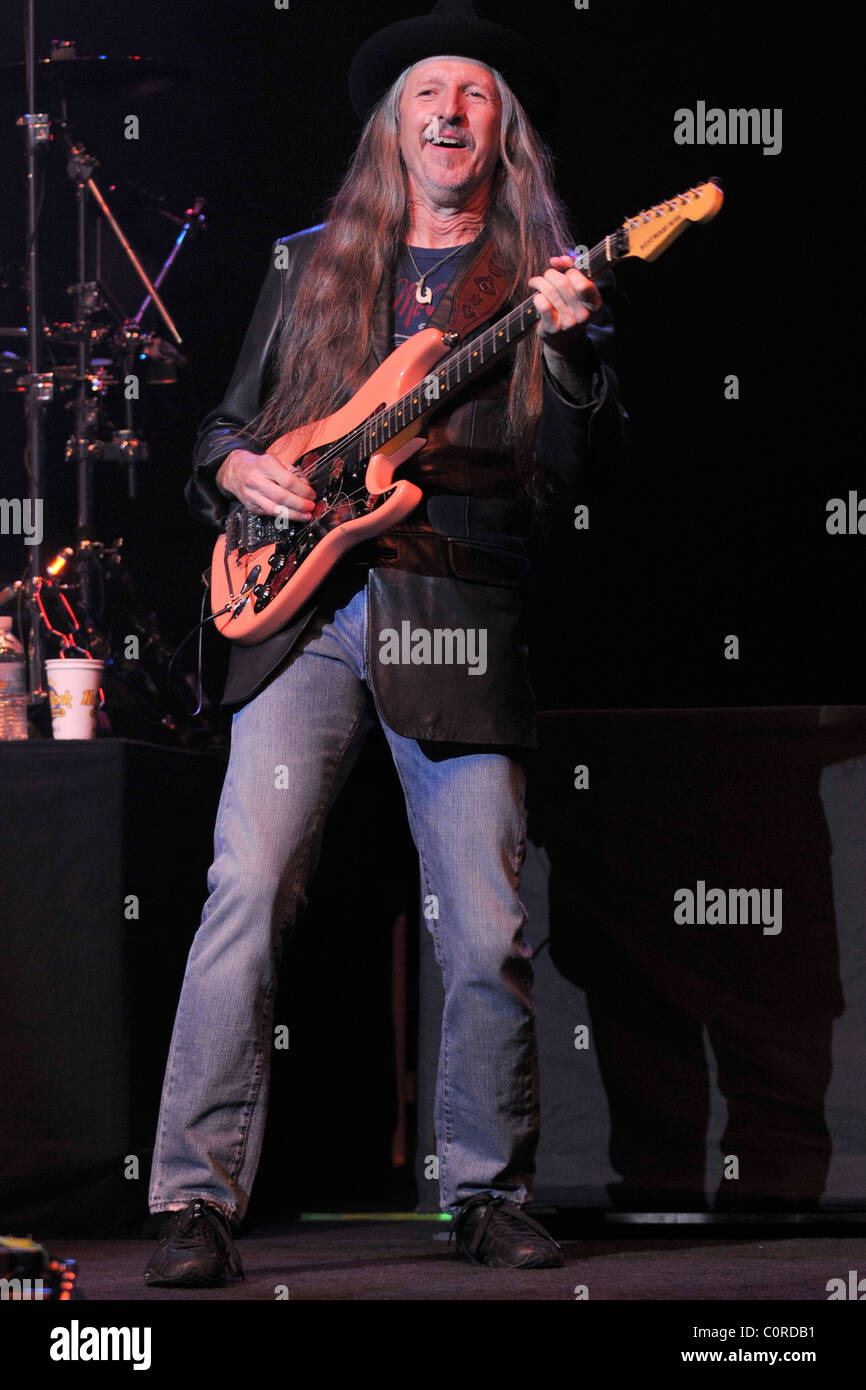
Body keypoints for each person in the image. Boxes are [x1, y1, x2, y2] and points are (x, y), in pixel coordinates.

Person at [144, 0, 623, 1286]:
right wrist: (246, 468)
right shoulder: (310, 262)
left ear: (499, 129)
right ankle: (192, 1200)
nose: (449, 111)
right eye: (427, 92)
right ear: (392, 126)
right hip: (303, 613)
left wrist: (573, 355)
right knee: (243, 889)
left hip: (457, 615)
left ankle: (484, 1190)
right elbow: (219, 433)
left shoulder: (535, 277)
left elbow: (575, 470)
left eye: (473, 93)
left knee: (480, 926)